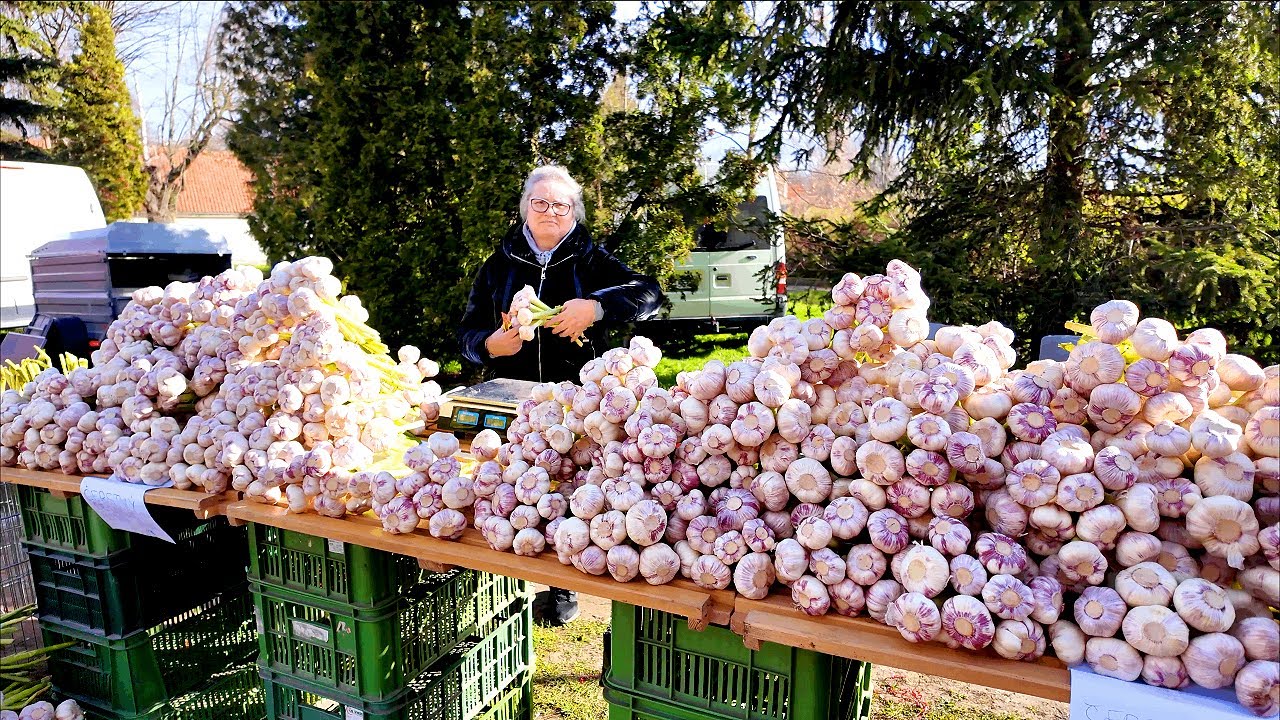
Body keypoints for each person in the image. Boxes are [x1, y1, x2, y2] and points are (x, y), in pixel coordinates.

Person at [459, 164, 663, 624]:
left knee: (573, 487)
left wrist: (596, 307)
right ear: (525, 209)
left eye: (561, 205)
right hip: (516, 403)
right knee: (517, 490)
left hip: (580, 403)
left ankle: (562, 585)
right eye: (540, 203)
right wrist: (490, 345)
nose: (550, 212)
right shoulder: (498, 266)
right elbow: (468, 333)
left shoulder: (593, 262)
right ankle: (504, 578)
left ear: (574, 213)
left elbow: (649, 294)